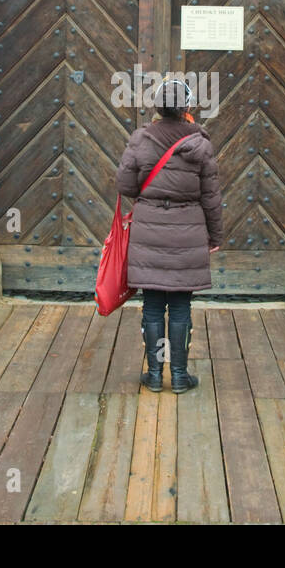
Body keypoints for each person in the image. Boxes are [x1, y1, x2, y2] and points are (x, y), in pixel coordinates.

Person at [114, 78, 222, 393]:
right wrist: (214, 237)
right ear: (187, 107)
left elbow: (125, 186)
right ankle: (178, 375)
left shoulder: (140, 139)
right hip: (187, 232)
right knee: (179, 306)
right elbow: (211, 197)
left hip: (148, 230)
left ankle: (153, 375)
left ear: (158, 107)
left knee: (151, 306)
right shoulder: (201, 143)